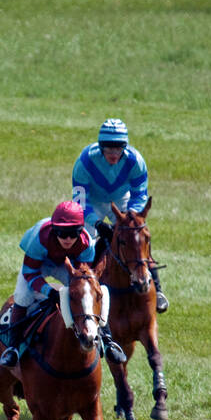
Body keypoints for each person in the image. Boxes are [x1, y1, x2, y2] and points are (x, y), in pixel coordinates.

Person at [0, 201, 124, 368]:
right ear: (54, 229)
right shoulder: (39, 239)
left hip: (67, 264)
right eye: (62, 233)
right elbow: (30, 273)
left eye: (73, 233)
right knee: (22, 296)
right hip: (39, 265)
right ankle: (13, 348)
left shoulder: (86, 243)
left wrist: (81, 287)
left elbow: (84, 276)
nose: (68, 239)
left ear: (81, 231)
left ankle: (107, 341)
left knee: (90, 292)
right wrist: (48, 291)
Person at [72, 118, 168, 312]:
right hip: (94, 202)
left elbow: (140, 195)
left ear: (125, 147)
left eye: (118, 149)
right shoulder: (85, 161)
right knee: (85, 241)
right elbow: (80, 203)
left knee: (136, 237)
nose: (114, 154)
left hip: (122, 200)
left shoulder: (135, 161)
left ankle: (157, 289)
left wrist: (129, 217)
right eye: (109, 149)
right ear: (101, 147)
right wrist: (97, 223)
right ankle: (80, 286)